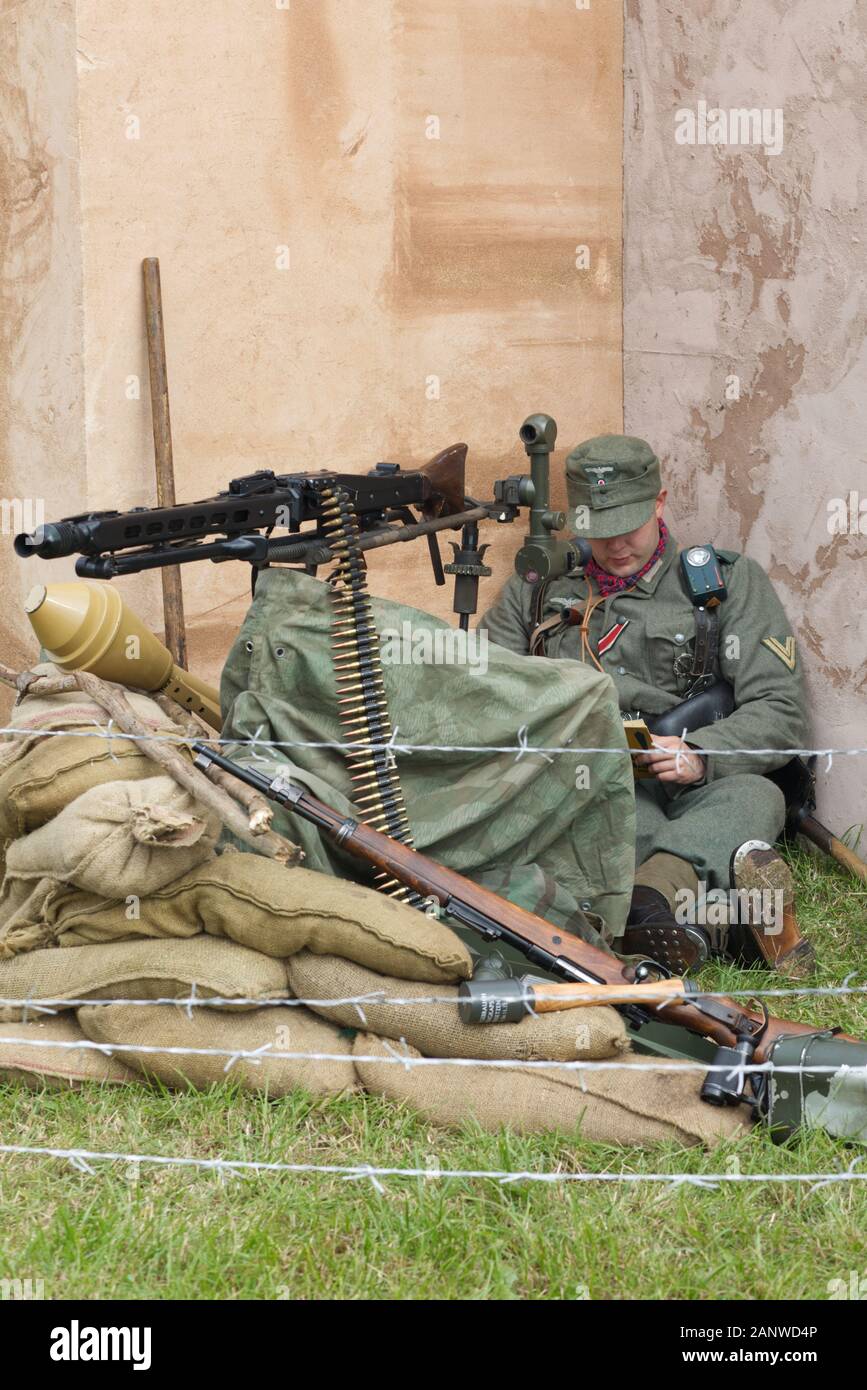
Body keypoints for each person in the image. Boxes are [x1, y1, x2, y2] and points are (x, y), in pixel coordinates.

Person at [478, 434, 815, 978]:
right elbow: (485, 686)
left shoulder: (723, 584)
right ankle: (705, 922)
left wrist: (699, 754)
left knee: (755, 797)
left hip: (692, 781)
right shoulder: (538, 589)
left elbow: (779, 708)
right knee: (599, 819)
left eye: (628, 526)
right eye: (599, 530)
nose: (614, 546)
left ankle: (654, 909)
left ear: (659, 502)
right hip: (588, 781)